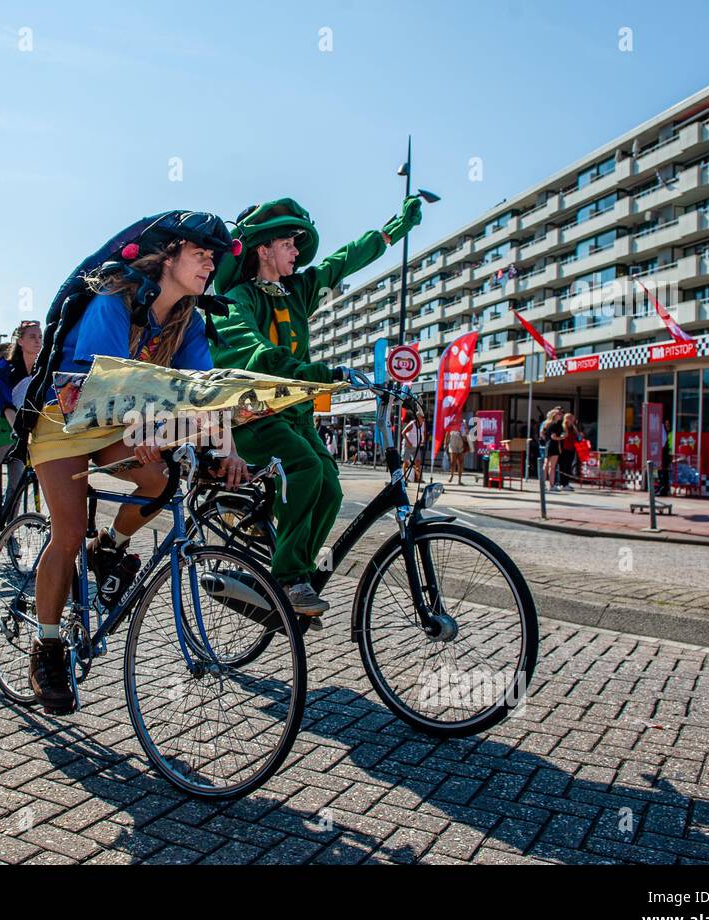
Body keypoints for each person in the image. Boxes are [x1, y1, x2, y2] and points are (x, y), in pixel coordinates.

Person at [22, 211, 250, 714]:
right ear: (168, 256)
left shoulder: (188, 319)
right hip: (64, 419)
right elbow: (101, 385)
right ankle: (48, 646)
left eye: (214, 258)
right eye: (199, 254)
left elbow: (203, 393)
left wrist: (227, 449)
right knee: (66, 533)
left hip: (118, 422)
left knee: (159, 481)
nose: (209, 265)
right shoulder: (114, 295)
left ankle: (111, 546)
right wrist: (144, 426)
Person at [208, 194, 423, 616]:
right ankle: (286, 579)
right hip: (253, 414)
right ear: (263, 248)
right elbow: (253, 351)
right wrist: (309, 372)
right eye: (289, 243)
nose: (297, 251)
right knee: (305, 468)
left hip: (298, 414)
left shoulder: (297, 292)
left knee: (330, 484)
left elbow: (342, 262)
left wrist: (392, 231)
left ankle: (298, 573)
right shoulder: (238, 298)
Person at [0, 321, 41, 505]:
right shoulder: (6, 367)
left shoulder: (41, 369)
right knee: (6, 437)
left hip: (25, 420)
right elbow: (3, 400)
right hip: (2, 416)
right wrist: (19, 430)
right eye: (32, 337)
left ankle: (8, 527)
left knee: (17, 483)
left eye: (40, 337)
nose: (38, 341)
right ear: (20, 341)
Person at [540, 408, 564, 490]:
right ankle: (551, 485)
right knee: (552, 467)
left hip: (548, 445)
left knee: (546, 465)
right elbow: (553, 437)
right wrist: (562, 437)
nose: (561, 416)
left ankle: (543, 485)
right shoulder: (555, 425)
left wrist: (546, 440)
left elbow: (542, 433)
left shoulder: (547, 424)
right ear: (554, 415)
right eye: (559, 414)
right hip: (554, 445)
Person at [559, 412, 582, 489]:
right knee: (563, 466)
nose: (573, 420)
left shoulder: (573, 428)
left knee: (568, 466)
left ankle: (566, 483)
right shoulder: (563, 427)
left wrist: (578, 432)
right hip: (563, 449)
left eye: (573, 419)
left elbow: (578, 438)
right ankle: (562, 483)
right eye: (571, 419)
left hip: (571, 449)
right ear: (567, 419)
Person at [401, 412, 426, 484]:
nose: (423, 419)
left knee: (418, 462)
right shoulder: (412, 424)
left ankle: (418, 478)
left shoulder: (423, 424)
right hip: (408, 445)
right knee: (406, 461)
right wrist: (408, 442)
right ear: (418, 417)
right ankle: (404, 477)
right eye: (422, 417)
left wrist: (423, 440)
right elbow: (403, 432)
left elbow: (423, 432)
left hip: (416, 445)